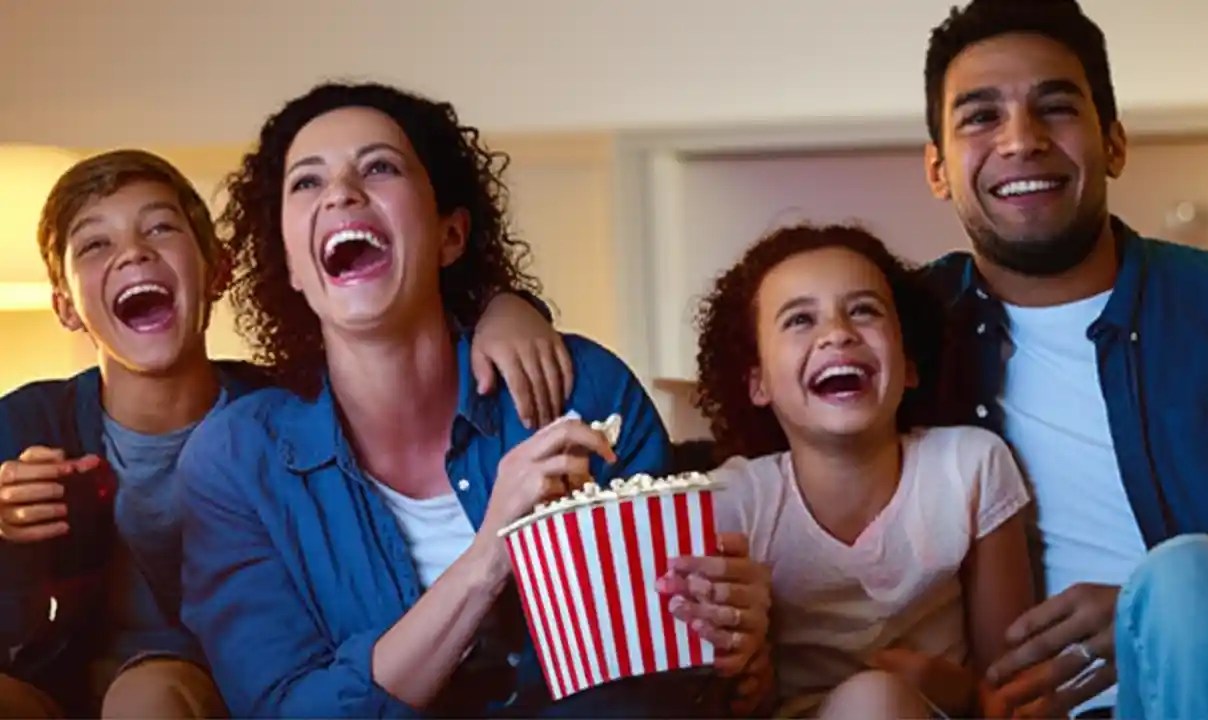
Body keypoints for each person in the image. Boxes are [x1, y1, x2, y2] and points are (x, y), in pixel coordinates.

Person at [175, 81, 771, 718]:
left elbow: (653, 678)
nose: (342, 192)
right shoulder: (236, 461)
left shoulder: (584, 390)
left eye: (379, 167)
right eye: (307, 182)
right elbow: (289, 709)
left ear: (450, 236)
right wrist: (493, 551)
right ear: (291, 264)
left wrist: (730, 635)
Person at [0, 149, 578, 718]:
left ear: (218, 269)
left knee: (145, 700)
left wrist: (508, 306)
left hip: (223, 682)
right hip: (52, 679)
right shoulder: (25, 423)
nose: (132, 254)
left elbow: (406, 347)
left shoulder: (283, 414)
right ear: (66, 306)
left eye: (159, 227)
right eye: (96, 244)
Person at [920, 1, 1208, 717]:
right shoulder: (899, 336)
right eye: (980, 117)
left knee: (1187, 580)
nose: (1021, 141)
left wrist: (1162, 622)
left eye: (1054, 107)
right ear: (937, 168)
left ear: (1113, 143)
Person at [693, 223, 1035, 718]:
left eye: (863, 310)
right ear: (758, 383)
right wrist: (748, 682)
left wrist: (949, 687)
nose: (837, 332)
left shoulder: (971, 466)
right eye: (799, 320)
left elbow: (1012, 692)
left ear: (910, 364)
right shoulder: (733, 501)